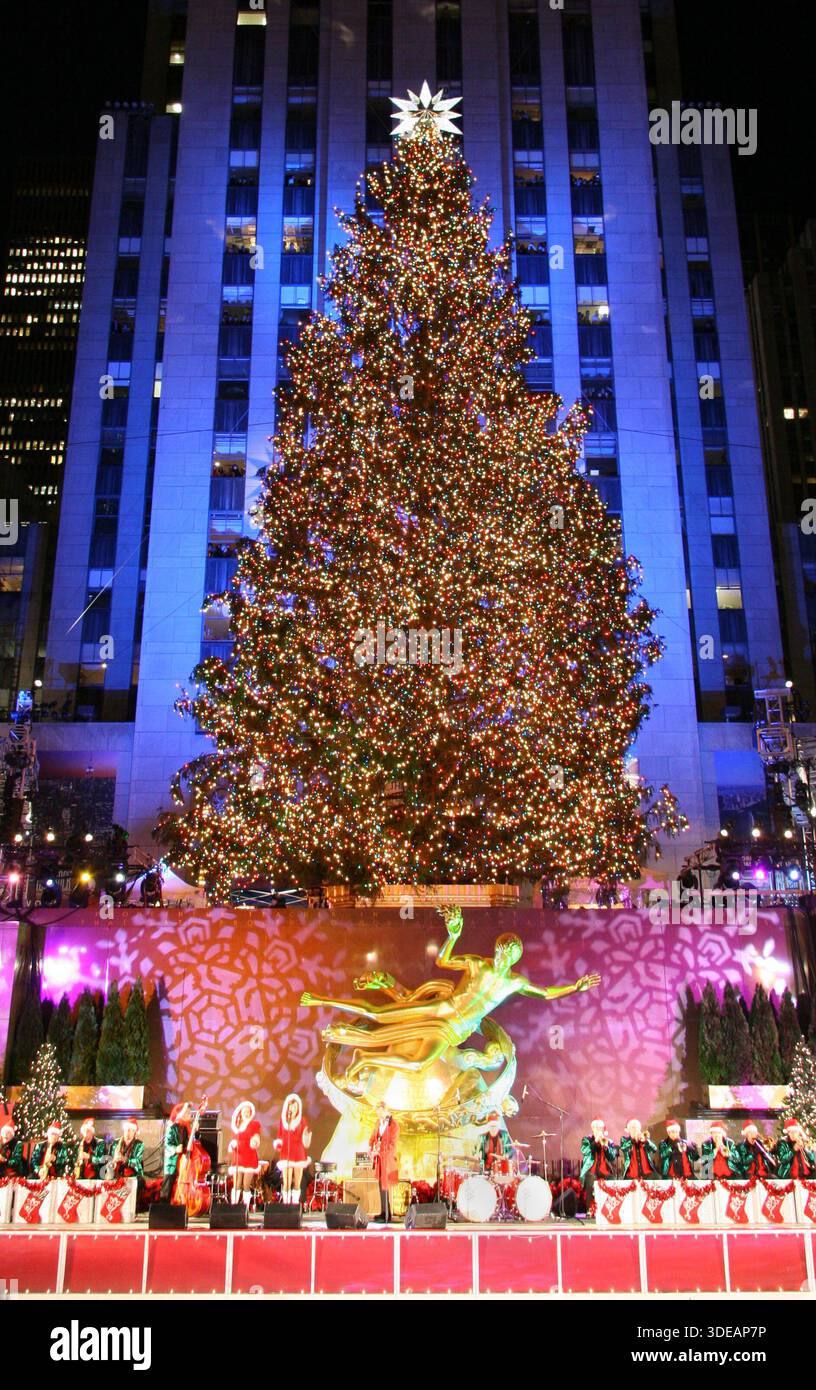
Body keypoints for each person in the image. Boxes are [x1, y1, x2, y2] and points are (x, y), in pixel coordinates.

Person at [274, 1093, 311, 1205]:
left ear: (298, 1108)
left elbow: (305, 1136)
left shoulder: (302, 1120)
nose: (293, 1109)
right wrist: (279, 1144)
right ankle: (286, 1204)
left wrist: (307, 1136)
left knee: (297, 1182)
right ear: (287, 1107)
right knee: (286, 1181)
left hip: (298, 1153)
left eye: (295, 1107)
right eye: (291, 1106)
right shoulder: (283, 1120)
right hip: (286, 1152)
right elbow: (280, 1135)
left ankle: (295, 1204)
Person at [369, 1101, 400, 1222]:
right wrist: (370, 1147)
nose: (378, 1114)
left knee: (385, 1185)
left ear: (385, 1110)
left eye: (380, 1111)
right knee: (380, 1185)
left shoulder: (394, 1125)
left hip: (387, 1159)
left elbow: (392, 1144)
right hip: (380, 1159)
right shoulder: (378, 1123)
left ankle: (387, 1213)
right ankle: (383, 1211)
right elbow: (373, 1136)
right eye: (377, 1112)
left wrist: (380, 1151)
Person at [228, 1100, 262, 1207]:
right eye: (244, 1111)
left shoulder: (254, 1124)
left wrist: (255, 1141)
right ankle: (234, 1207)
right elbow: (234, 1138)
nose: (246, 1113)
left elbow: (257, 1136)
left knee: (246, 1185)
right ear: (240, 1112)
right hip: (238, 1155)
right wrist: (233, 1144)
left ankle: (245, 1207)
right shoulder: (236, 1125)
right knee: (237, 1184)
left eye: (248, 1111)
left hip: (249, 1156)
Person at [579, 1116, 618, 1209]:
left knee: (612, 1179)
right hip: (591, 1170)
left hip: (605, 1171)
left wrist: (607, 1147)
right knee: (591, 1179)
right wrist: (595, 1141)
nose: (599, 1130)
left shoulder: (609, 1141)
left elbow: (612, 1157)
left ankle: (611, 1209)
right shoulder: (587, 1140)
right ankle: (590, 1210)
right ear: (592, 1128)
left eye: (600, 1128)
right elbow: (585, 1151)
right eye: (596, 1127)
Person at [161, 1102, 191, 1201]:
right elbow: (167, 1145)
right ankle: (164, 1204)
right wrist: (175, 1149)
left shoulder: (186, 1128)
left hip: (182, 1162)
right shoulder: (172, 1127)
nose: (189, 1114)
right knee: (168, 1184)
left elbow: (188, 1144)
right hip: (172, 1162)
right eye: (187, 1112)